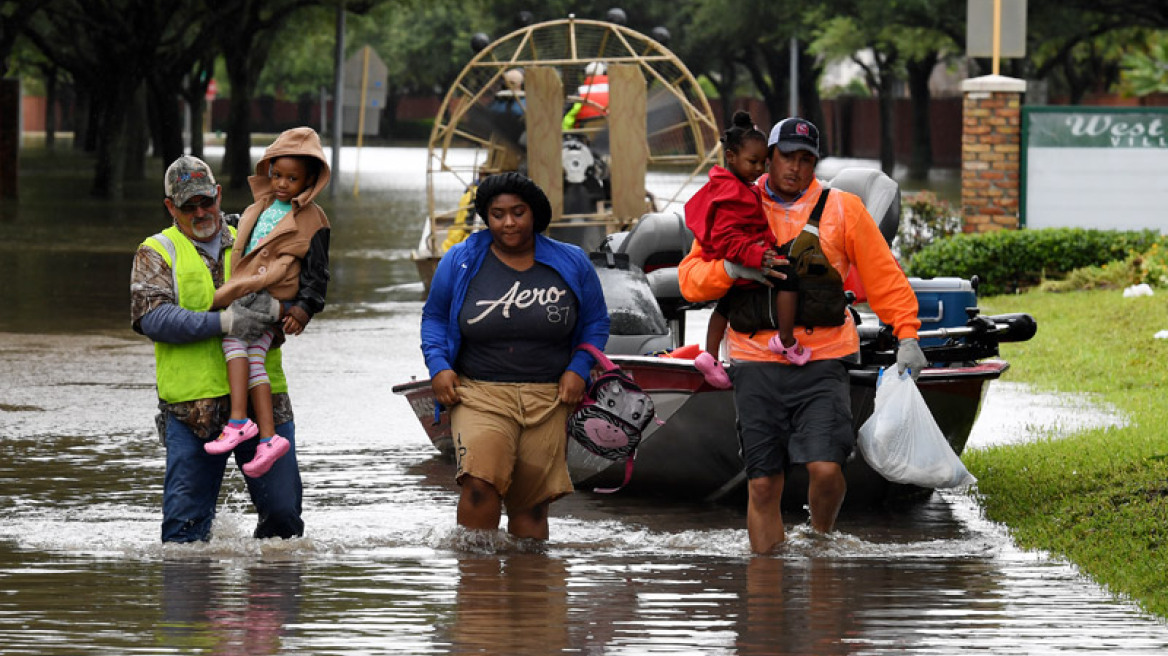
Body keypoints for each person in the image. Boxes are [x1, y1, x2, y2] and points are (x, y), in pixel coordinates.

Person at [678, 117, 928, 554]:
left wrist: (908, 336)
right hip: (754, 362)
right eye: (786, 157)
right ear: (767, 158)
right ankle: (768, 587)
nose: (795, 168)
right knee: (763, 484)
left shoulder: (844, 208)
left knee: (827, 469)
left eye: (806, 159)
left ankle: (820, 542)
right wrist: (731, 269)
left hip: (824, 358)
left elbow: (885, 277)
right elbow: (690, 280)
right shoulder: (734, 203)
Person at [420, 172, 610, 541]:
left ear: (534, 214)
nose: (508, 222)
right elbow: (434, 318)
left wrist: (579, 368)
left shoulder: (571, 261)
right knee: (478, 485)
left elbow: (596, 323)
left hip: (550, 396)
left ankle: (531, 587)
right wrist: (439, 367)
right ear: (486, 218)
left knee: (533, 502)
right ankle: (478, 586)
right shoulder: (461, 260)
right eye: (497, 214)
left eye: (518, 212)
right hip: (478, 393)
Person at [130, 155, 305, 543]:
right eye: (188, 206)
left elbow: (301, 282)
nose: (200, 212)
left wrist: (288, 311)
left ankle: (270, 600)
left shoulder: (257, 234)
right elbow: (153, 319)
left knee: (284, 524)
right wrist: (224, 323)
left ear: (219, 194)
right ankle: (193, 600)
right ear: (170, 207)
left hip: (265, 405)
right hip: (191, 412)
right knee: (184, 535)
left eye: (206, 201)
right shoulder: (156, 251)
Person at [201, 127, 332, 479]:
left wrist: (304, 309)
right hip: (252, 290)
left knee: (232, 339)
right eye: (277, 175)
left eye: (293, 178)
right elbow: (244, 238)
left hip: (273, 290)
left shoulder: (314, 220)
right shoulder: (257, 207)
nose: (282, 184)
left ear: (309, 181)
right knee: (254, 357)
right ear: (267, 171)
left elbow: (318, 272)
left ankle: (240, 421)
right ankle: (269, 438)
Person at [683, 110, 806, 391]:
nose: (759, 169)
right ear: (731, 157)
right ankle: (786, 340)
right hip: (746, 259)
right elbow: (727, 237)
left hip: (741, 260)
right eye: (753, 162)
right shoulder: (733, 193)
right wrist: (754, 257)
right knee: (789, 279)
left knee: (725, 305)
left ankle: (710, 357)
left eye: (763, 162)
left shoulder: (731, 187)